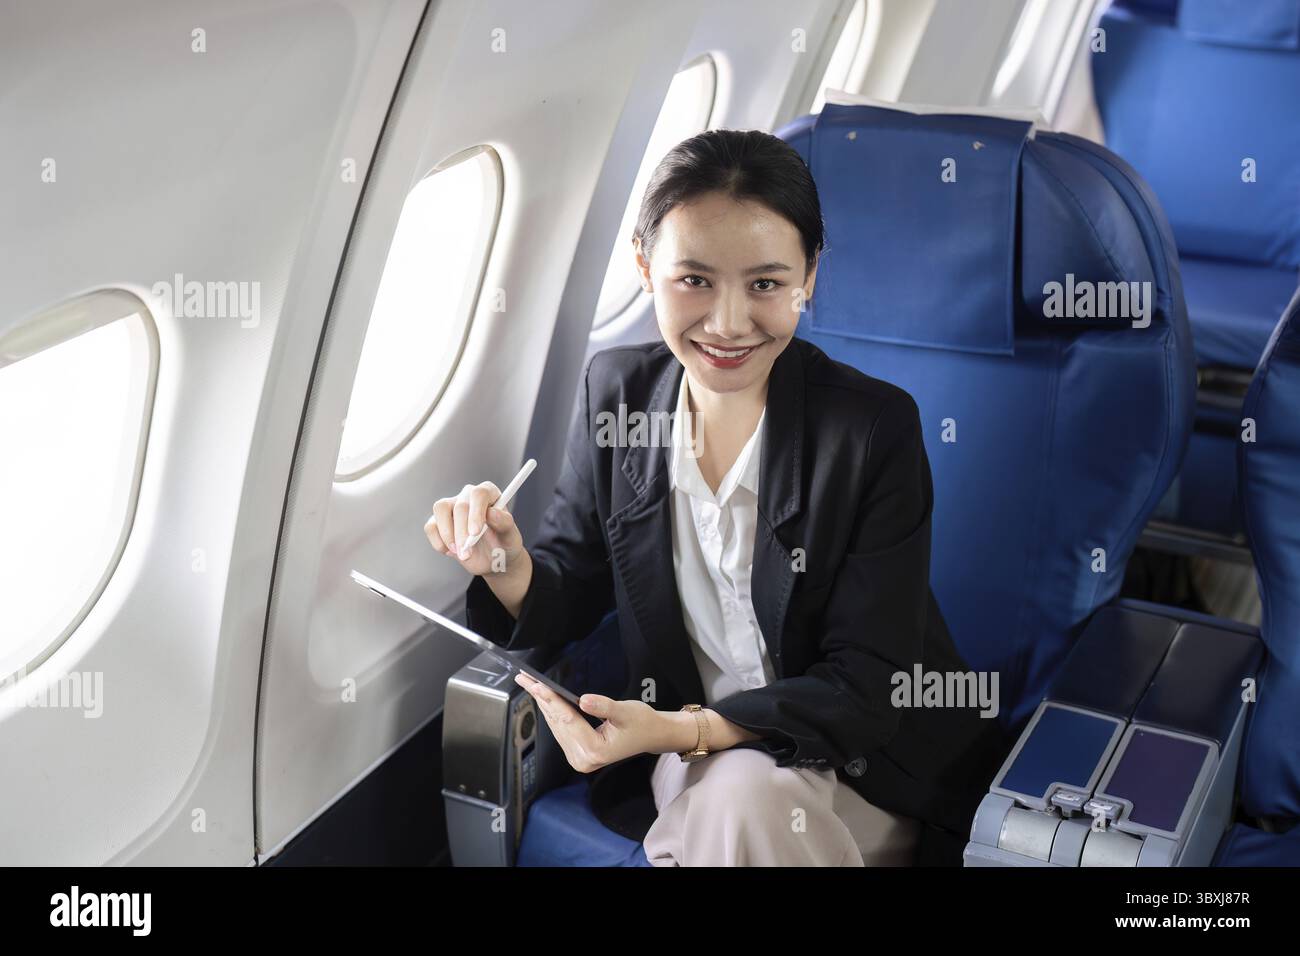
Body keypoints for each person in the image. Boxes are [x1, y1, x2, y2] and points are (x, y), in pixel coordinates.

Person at [426, 129, 1009, 866]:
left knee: (742, 797)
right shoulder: (619, 394)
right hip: (692, 760)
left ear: (809, 279)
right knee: (738, 793)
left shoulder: (870, 429)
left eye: (765, 284)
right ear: (645, 267)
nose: (729, 323)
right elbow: (570, 586)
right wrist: (505, 564)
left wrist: (682, 730)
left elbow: (866, 687)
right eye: (694, 280)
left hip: (860, 768)